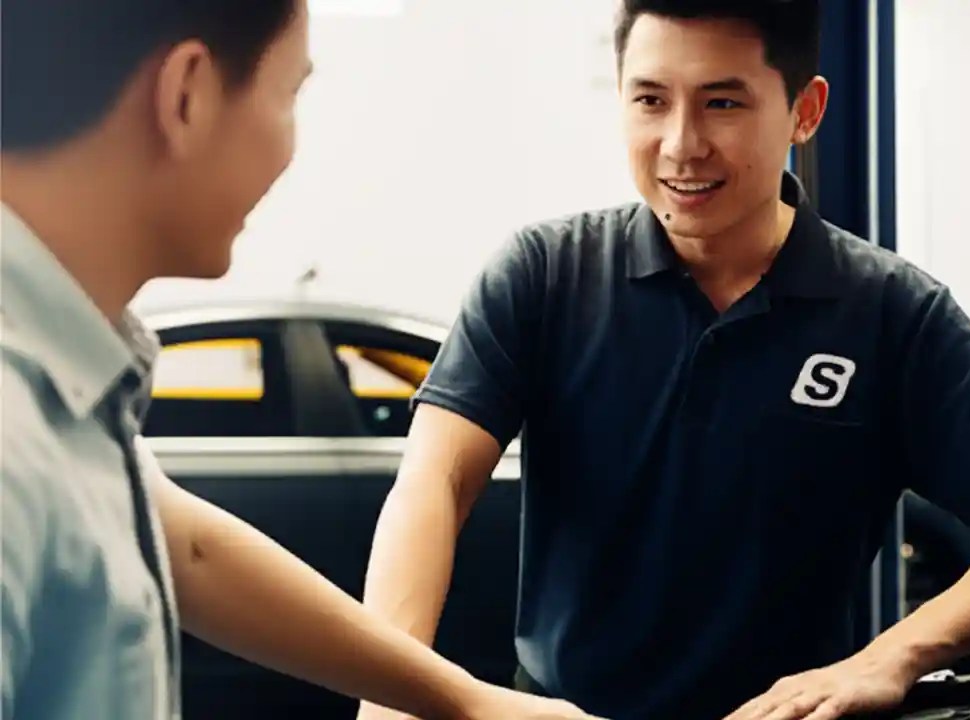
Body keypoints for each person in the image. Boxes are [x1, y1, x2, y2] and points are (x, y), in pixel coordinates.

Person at [357, 1, 970, 719]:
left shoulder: (887, 311)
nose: (681, 144)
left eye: (723, 103)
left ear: (804, 112)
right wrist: (389, 694)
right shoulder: (545, 276)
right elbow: (435, 480)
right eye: (650, 101)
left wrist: (892, 657)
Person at [0, 2, 605, 719]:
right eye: (288, 94)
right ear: (187, 94)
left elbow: (187, 546)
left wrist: (466, 703)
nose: (291, 151)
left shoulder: (64, 386)